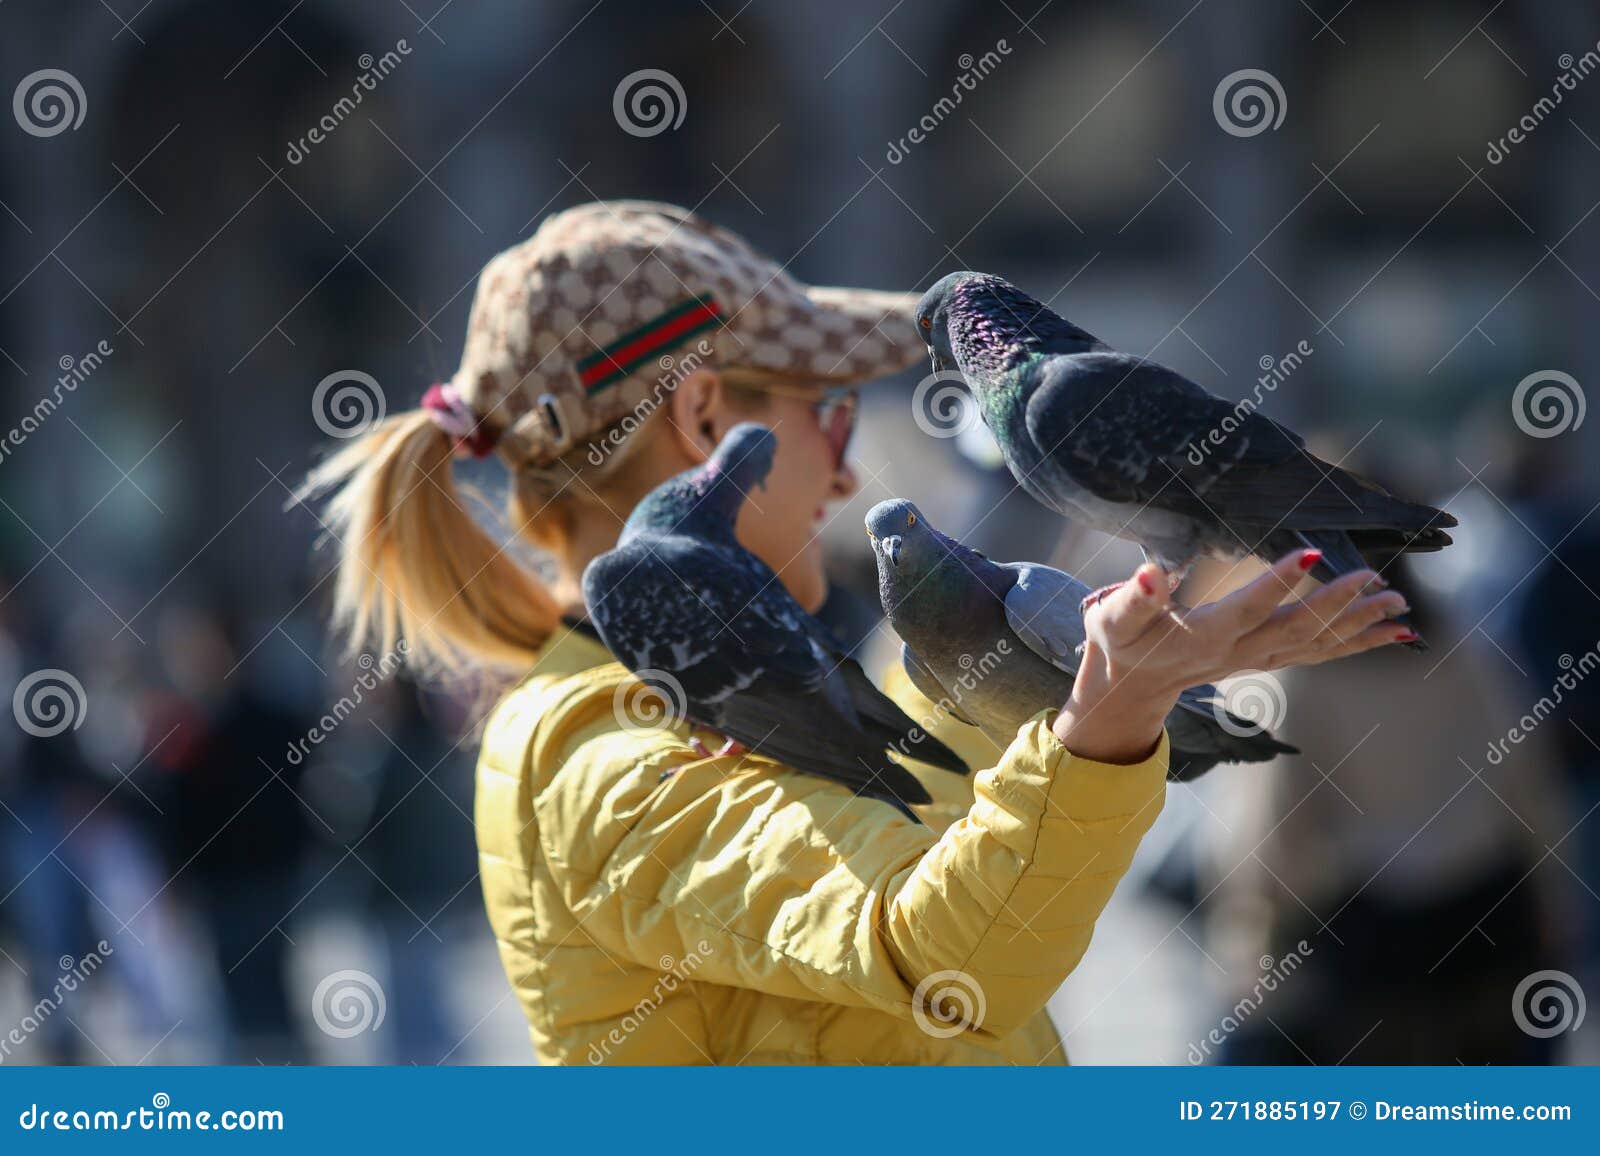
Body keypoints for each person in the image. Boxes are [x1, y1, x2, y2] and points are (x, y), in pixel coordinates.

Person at [301, 201, 1411, 1064]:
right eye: (830, 413)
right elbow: (942, 956)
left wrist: (1086, 679)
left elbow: (900, 785)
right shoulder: (601, 747)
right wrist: (1104, 725)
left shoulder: (652, 688)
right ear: (699, 423)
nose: (845, 464)